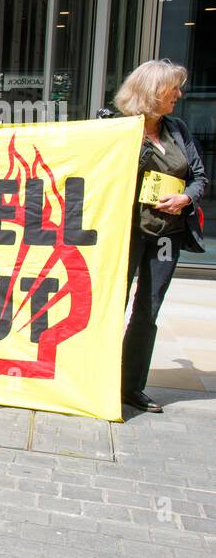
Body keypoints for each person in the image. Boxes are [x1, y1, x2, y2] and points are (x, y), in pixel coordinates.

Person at [115, 59, 207, 414]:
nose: (179, 96)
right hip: (128, 233)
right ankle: (100, 379)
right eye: (173, 90)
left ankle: (131, 385)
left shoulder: (178, 129)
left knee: (147, 310)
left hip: (168, 234)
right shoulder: (119, 128)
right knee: (112, 306)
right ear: (153, 92)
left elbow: (199, 177)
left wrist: (186, 197)